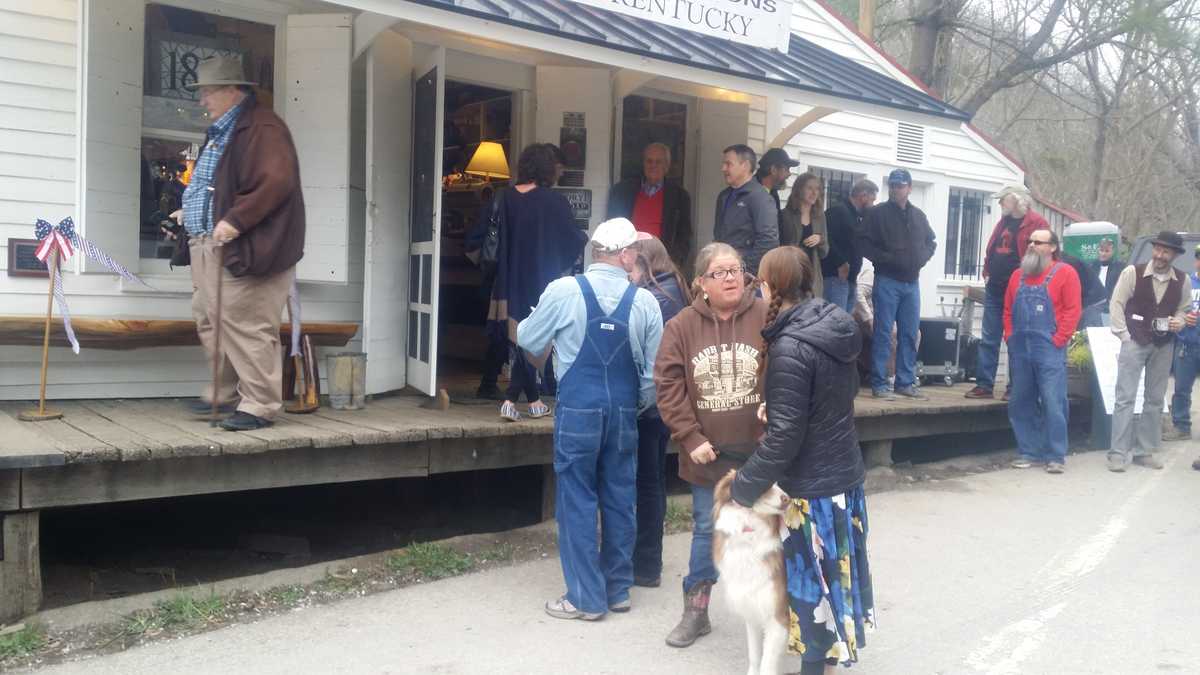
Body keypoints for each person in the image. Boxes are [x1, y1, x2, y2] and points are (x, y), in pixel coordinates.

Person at [731, 246, 872, 674]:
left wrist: (743, 486)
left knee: (812, 593)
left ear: (769, 286)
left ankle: (816, 666)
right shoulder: (834, 324)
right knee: (835, 585)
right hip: (844, 479)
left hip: (812, 492)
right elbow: (837, 398)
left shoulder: (791, 346)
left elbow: (786, 438)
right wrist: (778, 409)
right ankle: (828, 662)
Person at [517, 217, 663, 620]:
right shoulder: (646, 302)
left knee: (577, 499)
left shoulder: (563, 291)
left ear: (595, 252)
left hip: (579, 410)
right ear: (626, 255)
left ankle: (584, 597)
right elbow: (653, 378)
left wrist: (535, 318)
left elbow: (528, 339)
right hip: (624, 411)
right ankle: (617, 590)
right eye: (637, 253)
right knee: (620, 497)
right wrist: (632, 408)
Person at [170, 55, 304, 431]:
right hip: (208, 246)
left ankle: (260, 404)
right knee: (211, 321)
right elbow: (218, 184)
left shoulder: (263, 127)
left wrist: (234, 219)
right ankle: (223, 392)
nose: (202, 100)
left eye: (208, 92)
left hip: (244, 247)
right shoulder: (226, 128)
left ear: (232, 90)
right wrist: (189, 213)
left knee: (246, 323)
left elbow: (274, 182)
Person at [654, 242, 767, 648]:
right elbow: (667, 385)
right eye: (721, 272)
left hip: (763, 455)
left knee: (769, 533)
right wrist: (689, 435)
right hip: (707, 455)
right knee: (707, 530)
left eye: (737, 269)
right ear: (701, 282)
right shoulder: (681, 326)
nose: (732, 277)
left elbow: (787, 365)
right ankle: (696, 612)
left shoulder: (765, 315)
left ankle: (774, 614)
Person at [488, 143, 587, 421]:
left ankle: (525, 402)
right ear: (547, 169)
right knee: (534, 339)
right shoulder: (553, 201)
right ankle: (518, 401)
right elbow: (572, 240)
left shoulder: (504, 197)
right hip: (543, 278)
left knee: (520, 338)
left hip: (509, 278)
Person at [628, 234, 690, 589]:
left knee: (645, 484)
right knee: (652, 483)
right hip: (667, 399)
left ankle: (645, 562)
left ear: (644, 262)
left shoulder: (653, 297)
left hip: (650, 402)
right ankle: (648, 562)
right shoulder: (674, 287)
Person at [1107, 231, 1191, 472]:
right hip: (1134, 339)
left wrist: (1180, 321)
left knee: (1154, 400)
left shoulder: (1182, 280)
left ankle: (1144, 452)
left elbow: (1184, 310)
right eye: (1157, 249)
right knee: (1125, 398)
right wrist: (1123, 335)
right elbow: (1117, 303)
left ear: (1174, 255)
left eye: (1166, 251)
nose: (1160, 255)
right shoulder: (1132, 272)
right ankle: (1118, 453)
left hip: (1163, 345)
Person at [1003, 230, 1081, 473]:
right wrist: (1009, 336)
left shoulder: (1065, 273)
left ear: (1053, 248)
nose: (1031, 245)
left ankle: (1055, 455)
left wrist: (1060, 339)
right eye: (1029, 242)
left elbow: (1072, 310)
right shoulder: (1017, 276)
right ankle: (1029, 451)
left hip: (1049, 347)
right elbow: (1007, 311)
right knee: (1020, 401)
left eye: (1038, 242)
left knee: (1053, 401)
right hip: (1020, 347)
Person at [858, 168, 936, 400]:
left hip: (912, 283)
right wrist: (884, 259)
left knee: (910, 334)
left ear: (909, 188)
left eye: (900, 185)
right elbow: (861, 241)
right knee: (883, 333)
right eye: (892, 185)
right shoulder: (877, 214)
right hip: (887, 281)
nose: (896, 189)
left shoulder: (919, 216)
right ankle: (879, 384)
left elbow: (931, 241)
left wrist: (921, 259)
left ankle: (905, 382)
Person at [967, 185, 1048, 400]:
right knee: (989, 337)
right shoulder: (1003, 222)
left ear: (1016, 200)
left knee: (1016, 337)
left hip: (1020, 289)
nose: (1001, 203)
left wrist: (1031, 279)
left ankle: (1015, 387)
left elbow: (1044, 255)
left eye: (1004, 199)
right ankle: (985, 384)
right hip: (995, 287)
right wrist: (986, 271)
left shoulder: (1036, 223)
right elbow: (991, 249)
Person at [606, 143, 694, 271]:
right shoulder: (621, 191)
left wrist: (672, 264)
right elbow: (611, 227)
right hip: (626, 262)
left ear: (667, 166)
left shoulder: (680, 196)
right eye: (649, 161)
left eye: (659, 162)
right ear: (643, 164)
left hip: (660, 265)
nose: (653, 165)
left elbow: (684, 236)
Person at [713, 144, 778, 276]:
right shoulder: (724, 196)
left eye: (728, 164)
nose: (723, 168)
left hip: (746, 276)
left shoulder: (760, 198)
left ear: (746, 166)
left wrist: (744, 271)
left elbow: (768, 240)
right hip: (723, 270)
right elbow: (718, 236)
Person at [822, 179, 877, 313]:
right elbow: (825, 239)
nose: (872, 204)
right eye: (872, 200)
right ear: (863, 195)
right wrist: (840, 262)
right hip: (836, 277)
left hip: (850, 279)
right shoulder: (838, 211)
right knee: (835, 324)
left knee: (844, 325)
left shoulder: (856, 217)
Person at [1164, 245, 1200, 442]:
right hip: (1186, 344)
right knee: (1181, 389)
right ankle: (1181, 426)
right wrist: (1183, 318)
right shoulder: (1186, 283)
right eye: (1198, 257)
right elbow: (1174, 308)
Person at [779, 172, 829, 298]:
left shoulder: (819, 216)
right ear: (799, 189)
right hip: (791, 274)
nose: (814, 193)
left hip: (813, 277)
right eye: (809, 188)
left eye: (817, 189)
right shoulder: (785, 215)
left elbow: (825, 252)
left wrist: (820, 239)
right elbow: (779, 247)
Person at [1061, 250, 1106, 328]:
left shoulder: (1066, 264)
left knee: (1089, 332)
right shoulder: (1064, 260)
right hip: (1090, 297)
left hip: (1092, 300)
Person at [754, 147, 799, 213]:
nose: (789, 174)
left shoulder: (773, 193)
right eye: (786, 169)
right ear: (774, 170)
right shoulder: (750, 191)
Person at [1091, 237, 1126, 305]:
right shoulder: (1093, 266)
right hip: (1095, 306)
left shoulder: (1119, 267)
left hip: (1112, 305)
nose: (1103, 254)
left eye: (1107, 251)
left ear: (1112, 251)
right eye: (1101, 250)